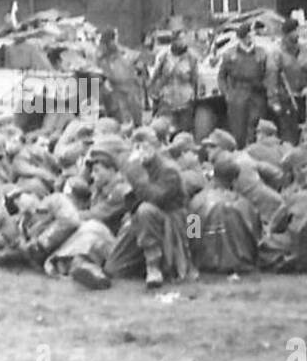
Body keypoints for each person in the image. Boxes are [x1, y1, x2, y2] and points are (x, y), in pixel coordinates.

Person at [103, 128, 192, 288]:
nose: (141, 152)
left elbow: (156, 197)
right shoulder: (136, 168)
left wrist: (135, 173)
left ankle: (153, 266)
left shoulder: (169, 169)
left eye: (145, 146)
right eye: (137, 147)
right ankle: (141, 265)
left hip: (171, 221)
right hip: (142, 223)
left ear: (156, 147)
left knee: (146, 210)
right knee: (113, 268)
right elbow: (132, 201)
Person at [188, 153, 259, 273]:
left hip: (204, 263)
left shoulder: (196, 202)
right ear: (235, 180)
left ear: (213, 175)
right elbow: (256, 236)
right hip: (241, 263)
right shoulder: (245, 204)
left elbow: (191, 236)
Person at [217, 24, 268, 146]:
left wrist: (265, 88)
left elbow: (268, 73)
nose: (251, 38)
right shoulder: (230, 55)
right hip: (237, 95)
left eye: (252, 35)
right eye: (248, 36)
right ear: (242, 38)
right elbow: (221, 76)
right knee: (238, 130)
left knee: (255, 127)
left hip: (257, 94)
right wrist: (227, 93)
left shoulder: (261, 53)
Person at [266, 18, 307, 145]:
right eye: (294, 31)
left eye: (298, 30)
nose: (297, 34)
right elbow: (271, 77)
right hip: (286, 98)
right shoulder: (277, 53)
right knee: (288, 133)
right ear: (287, 34)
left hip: (304, 97)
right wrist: (273, 100)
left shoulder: (304, 50)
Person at [148, 30, 198, 134]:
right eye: (179, 39)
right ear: (173, 40)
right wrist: (154, 94)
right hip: (167, 101)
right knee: (164, 130)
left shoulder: (191, 57)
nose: (182, 41)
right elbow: (155, 76)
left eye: (184, 39)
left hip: (185, 101)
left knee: (184, 132)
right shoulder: (164, 56)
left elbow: (195, 79)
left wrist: (194, 96)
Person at [97, 28, 142, 125]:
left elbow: (137, 64)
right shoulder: (102, 59)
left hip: (131, 96)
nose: (115, 42)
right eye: (113, 40)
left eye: (116, 39)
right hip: (116, 98)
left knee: (135, 123)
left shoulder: (125, 54)